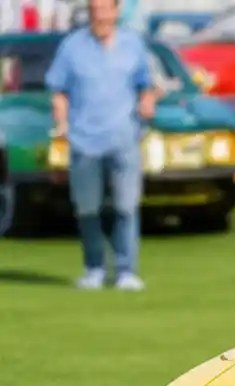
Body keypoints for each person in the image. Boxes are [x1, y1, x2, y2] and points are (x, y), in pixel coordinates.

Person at [45, 0, 154, 290]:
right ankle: (93, 269)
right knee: (88, 209)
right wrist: (62, 123)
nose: (100, 15)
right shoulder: (72, 47)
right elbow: (58, 90)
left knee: (126, 207)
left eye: (105, 9)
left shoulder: (133, 45)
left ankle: (125, 270)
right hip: (84, 141)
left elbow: (146, 84)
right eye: (95, 10)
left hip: (124, 139)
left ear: (116, 11)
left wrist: (147, 101)